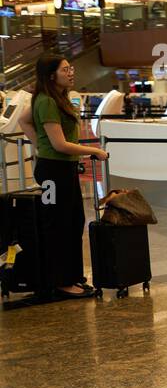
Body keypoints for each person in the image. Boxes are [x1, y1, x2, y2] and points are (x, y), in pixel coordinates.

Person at [28, 55, 108, 300]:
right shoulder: (46, 101)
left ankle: (72, 276)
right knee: (58, 225)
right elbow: (60, 144)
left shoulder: (56, 99)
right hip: (53, 171)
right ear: (52, 75)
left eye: (71, 67)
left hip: (63, 169)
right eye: (66, 69)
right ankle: (61, 282)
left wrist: (39, 145)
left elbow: (23, 121)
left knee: (73, 222)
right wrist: (93, 150)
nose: (71, 72)